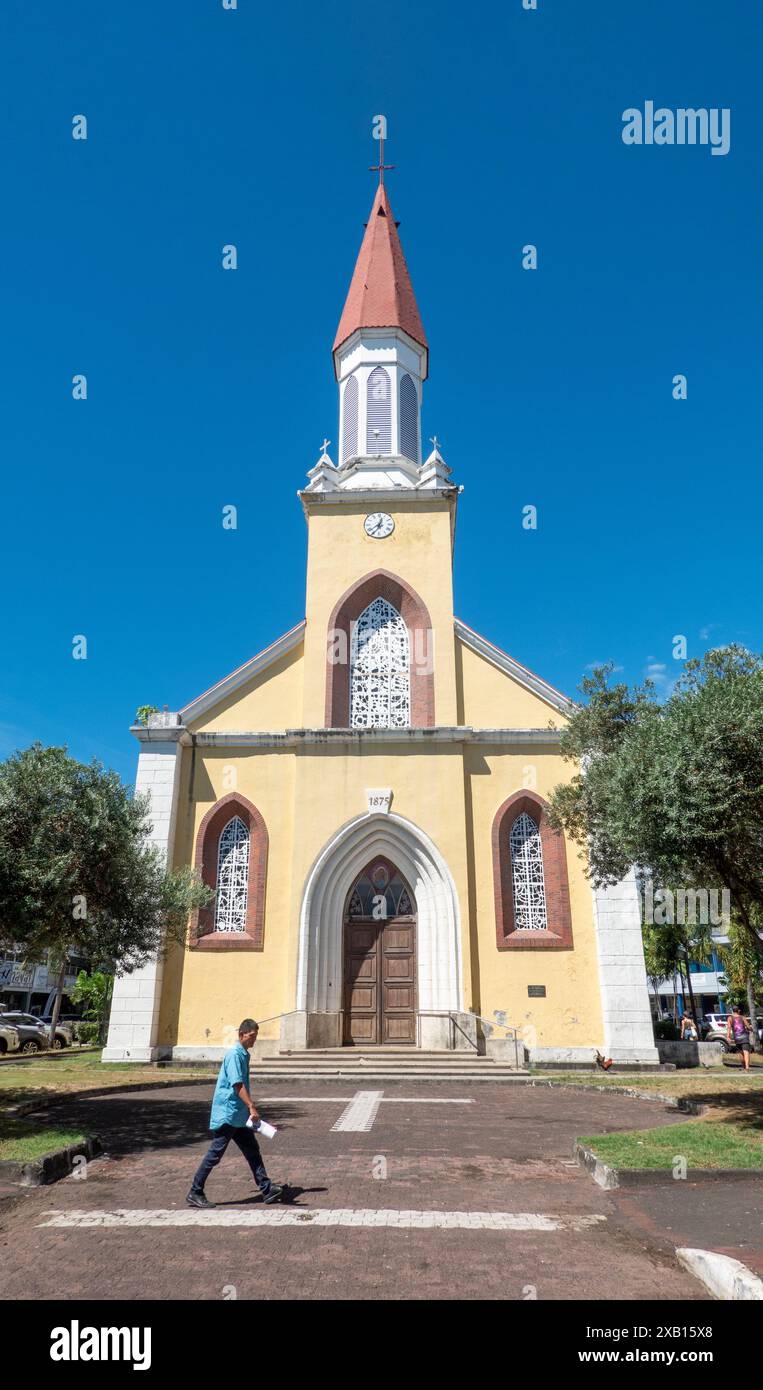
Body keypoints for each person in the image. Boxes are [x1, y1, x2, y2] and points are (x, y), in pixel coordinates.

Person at [186, 1018, 283, 1208]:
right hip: (228, 1113)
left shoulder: (243, 1054)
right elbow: (237, 1084)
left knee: (252, 1151)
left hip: (238, 1116)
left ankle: (266, 1187)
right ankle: (195, 1191)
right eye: (251, 1036)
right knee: (215, 1153)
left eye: (256, 1036)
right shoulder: (234, 1055)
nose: (254, 1040)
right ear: (241, 1035)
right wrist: (251, 1107)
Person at [726, 1004, 752, 1073]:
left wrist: (728, 1036)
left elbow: (728, 1028)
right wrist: (750, 1028)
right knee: (746, 1052)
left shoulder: (730, 1018)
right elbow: (748, 1027)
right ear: (738, 1011)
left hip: (737, 1038)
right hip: (744, 1037)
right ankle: (747, 1068)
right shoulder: (742, 1017)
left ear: (732, 1011)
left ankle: (744, 1067)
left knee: (741, 1053)